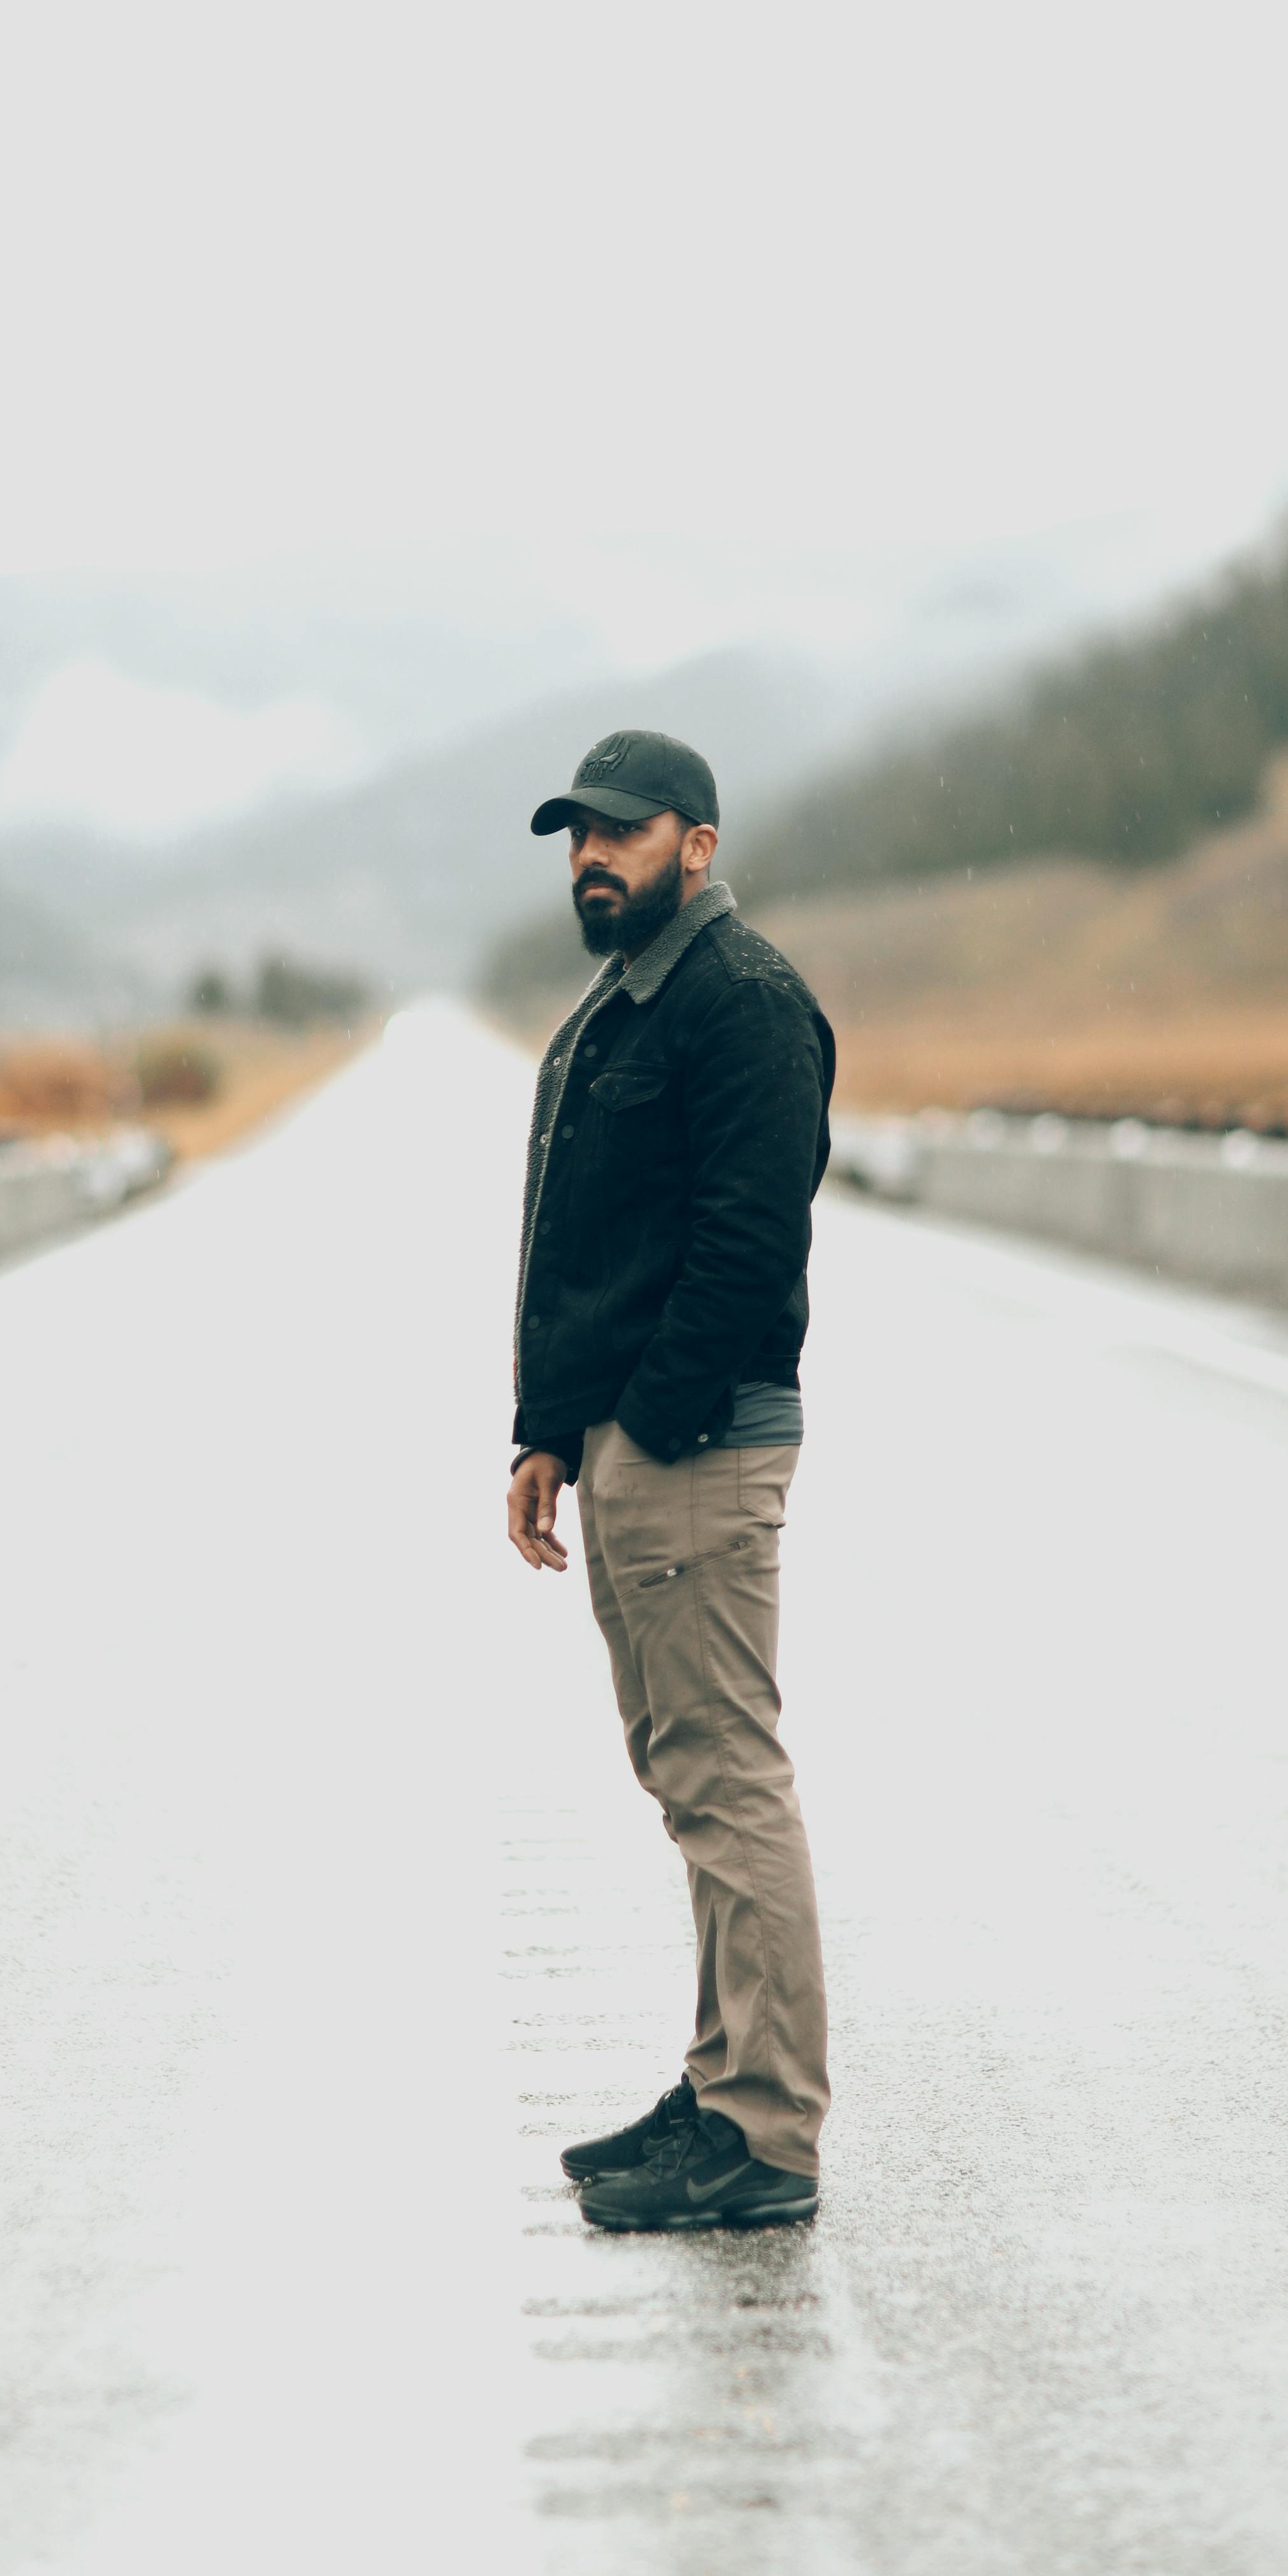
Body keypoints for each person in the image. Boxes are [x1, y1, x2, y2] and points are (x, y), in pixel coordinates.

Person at [505, 728, 836, 2231]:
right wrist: (549, 1430)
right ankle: (718, 2091)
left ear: (696, 844)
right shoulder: (627, 1004)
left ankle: (766, 2134)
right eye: (578, 835)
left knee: (726, 1778)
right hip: (637, 1453)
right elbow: (593, 1248)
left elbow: (747, 1246)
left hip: (696, 1453)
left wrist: (644, 1421)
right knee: (686, 1781)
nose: (594, 857)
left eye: (622, 834)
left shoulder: (742, 1004)